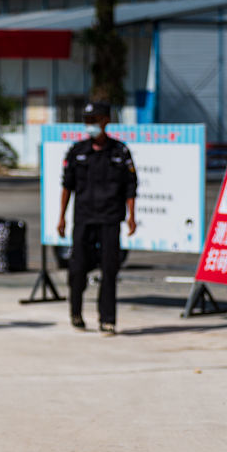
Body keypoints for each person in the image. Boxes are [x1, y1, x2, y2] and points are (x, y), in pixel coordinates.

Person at [56, 101, 137, 334]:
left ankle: (107, 318)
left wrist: (132, 216)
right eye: (87, 121)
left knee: (110, 269)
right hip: (84, 218)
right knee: (77, 267)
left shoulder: (120, 152)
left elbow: (130, 187)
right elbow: (67, 186)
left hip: (110, 218)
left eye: (94, 120)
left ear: (106, 121)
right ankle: (76, 311)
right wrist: (61, 217)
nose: (90, 125)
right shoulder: (77, 151)